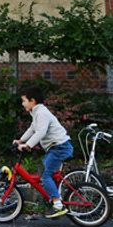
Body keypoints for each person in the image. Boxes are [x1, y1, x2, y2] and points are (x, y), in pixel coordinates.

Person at [13, 85, 74, 218]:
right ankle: (52, 199)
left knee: (46, 176)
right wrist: (21, 141)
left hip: (60, 147)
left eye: (24, 101)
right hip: (56, 147)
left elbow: (41, 132)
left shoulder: (41, 113)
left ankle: (57, 204)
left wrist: (28, 145)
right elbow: (32, 128)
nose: (22, 104)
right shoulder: (36, 112)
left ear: (32, 101)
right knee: (47, 172)